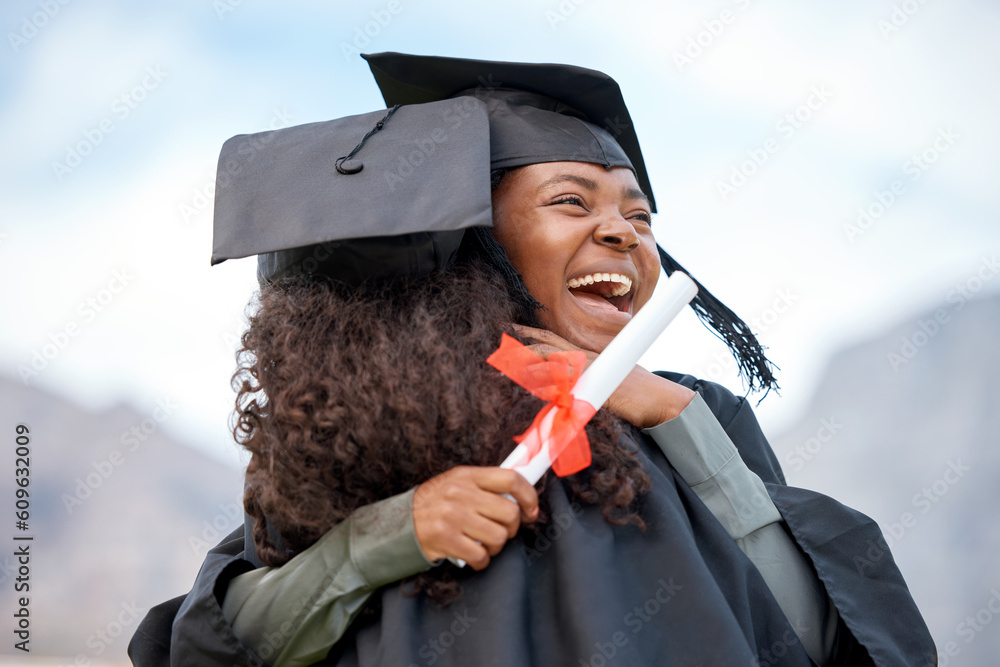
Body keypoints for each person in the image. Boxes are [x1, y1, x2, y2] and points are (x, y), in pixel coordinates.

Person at [129, 54, 936, 667]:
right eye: (571, 201)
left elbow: (812, 635)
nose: (625, 233)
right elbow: (232, 641)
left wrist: (676, 421)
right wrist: (384, 537)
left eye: (639, 214)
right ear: (480, 239)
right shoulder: (388, 416)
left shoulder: (699, 412)